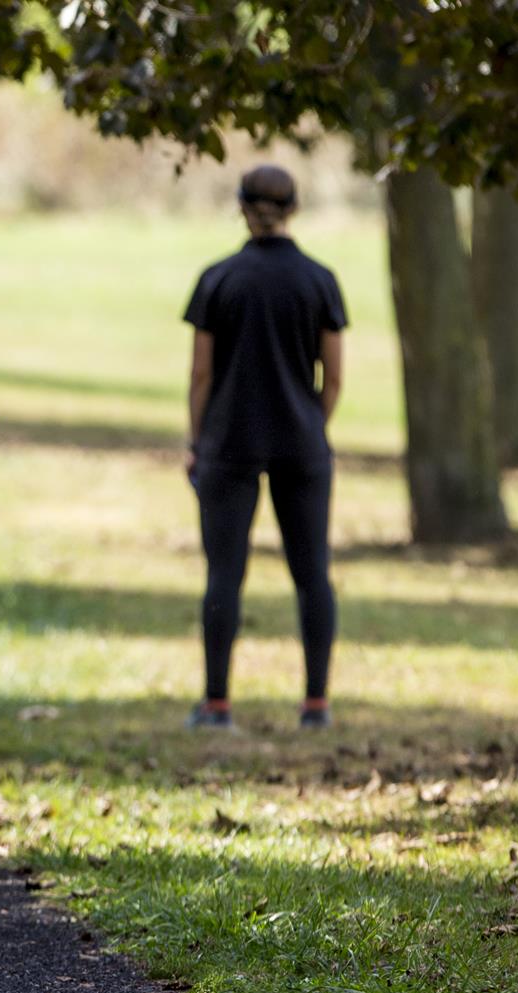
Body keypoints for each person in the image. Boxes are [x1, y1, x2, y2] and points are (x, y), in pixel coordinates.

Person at [182, 164, 345, 731]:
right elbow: (336, 377)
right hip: (303, 445)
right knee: (312, 573)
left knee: (225, 573)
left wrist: (196, 440)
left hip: (228, 442)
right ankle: (316, 704)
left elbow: (201, 375)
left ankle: (218, 704)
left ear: (242, 207)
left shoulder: (218, 279)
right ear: (293, 207)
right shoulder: (320, 280)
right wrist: (310, 424)